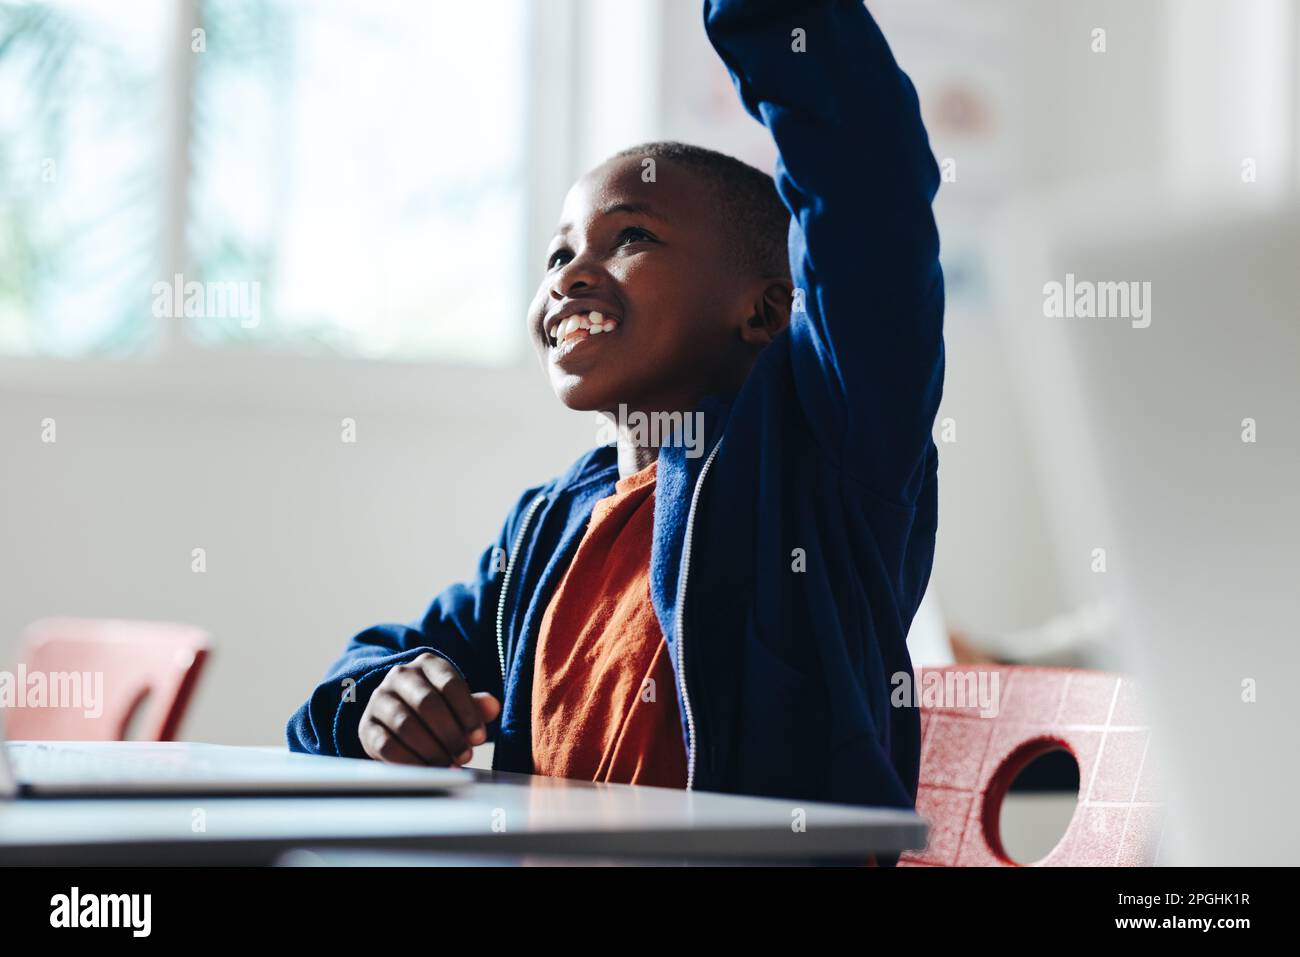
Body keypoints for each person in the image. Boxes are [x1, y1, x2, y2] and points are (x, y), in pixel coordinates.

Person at [288, 0, 945, 816]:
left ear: (768, 311)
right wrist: (380, 701)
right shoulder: (544, 530)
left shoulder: (820, 460)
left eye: (630, 237)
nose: (570, 273)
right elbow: (365, 673)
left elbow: (867, 175)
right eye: (560, 250)